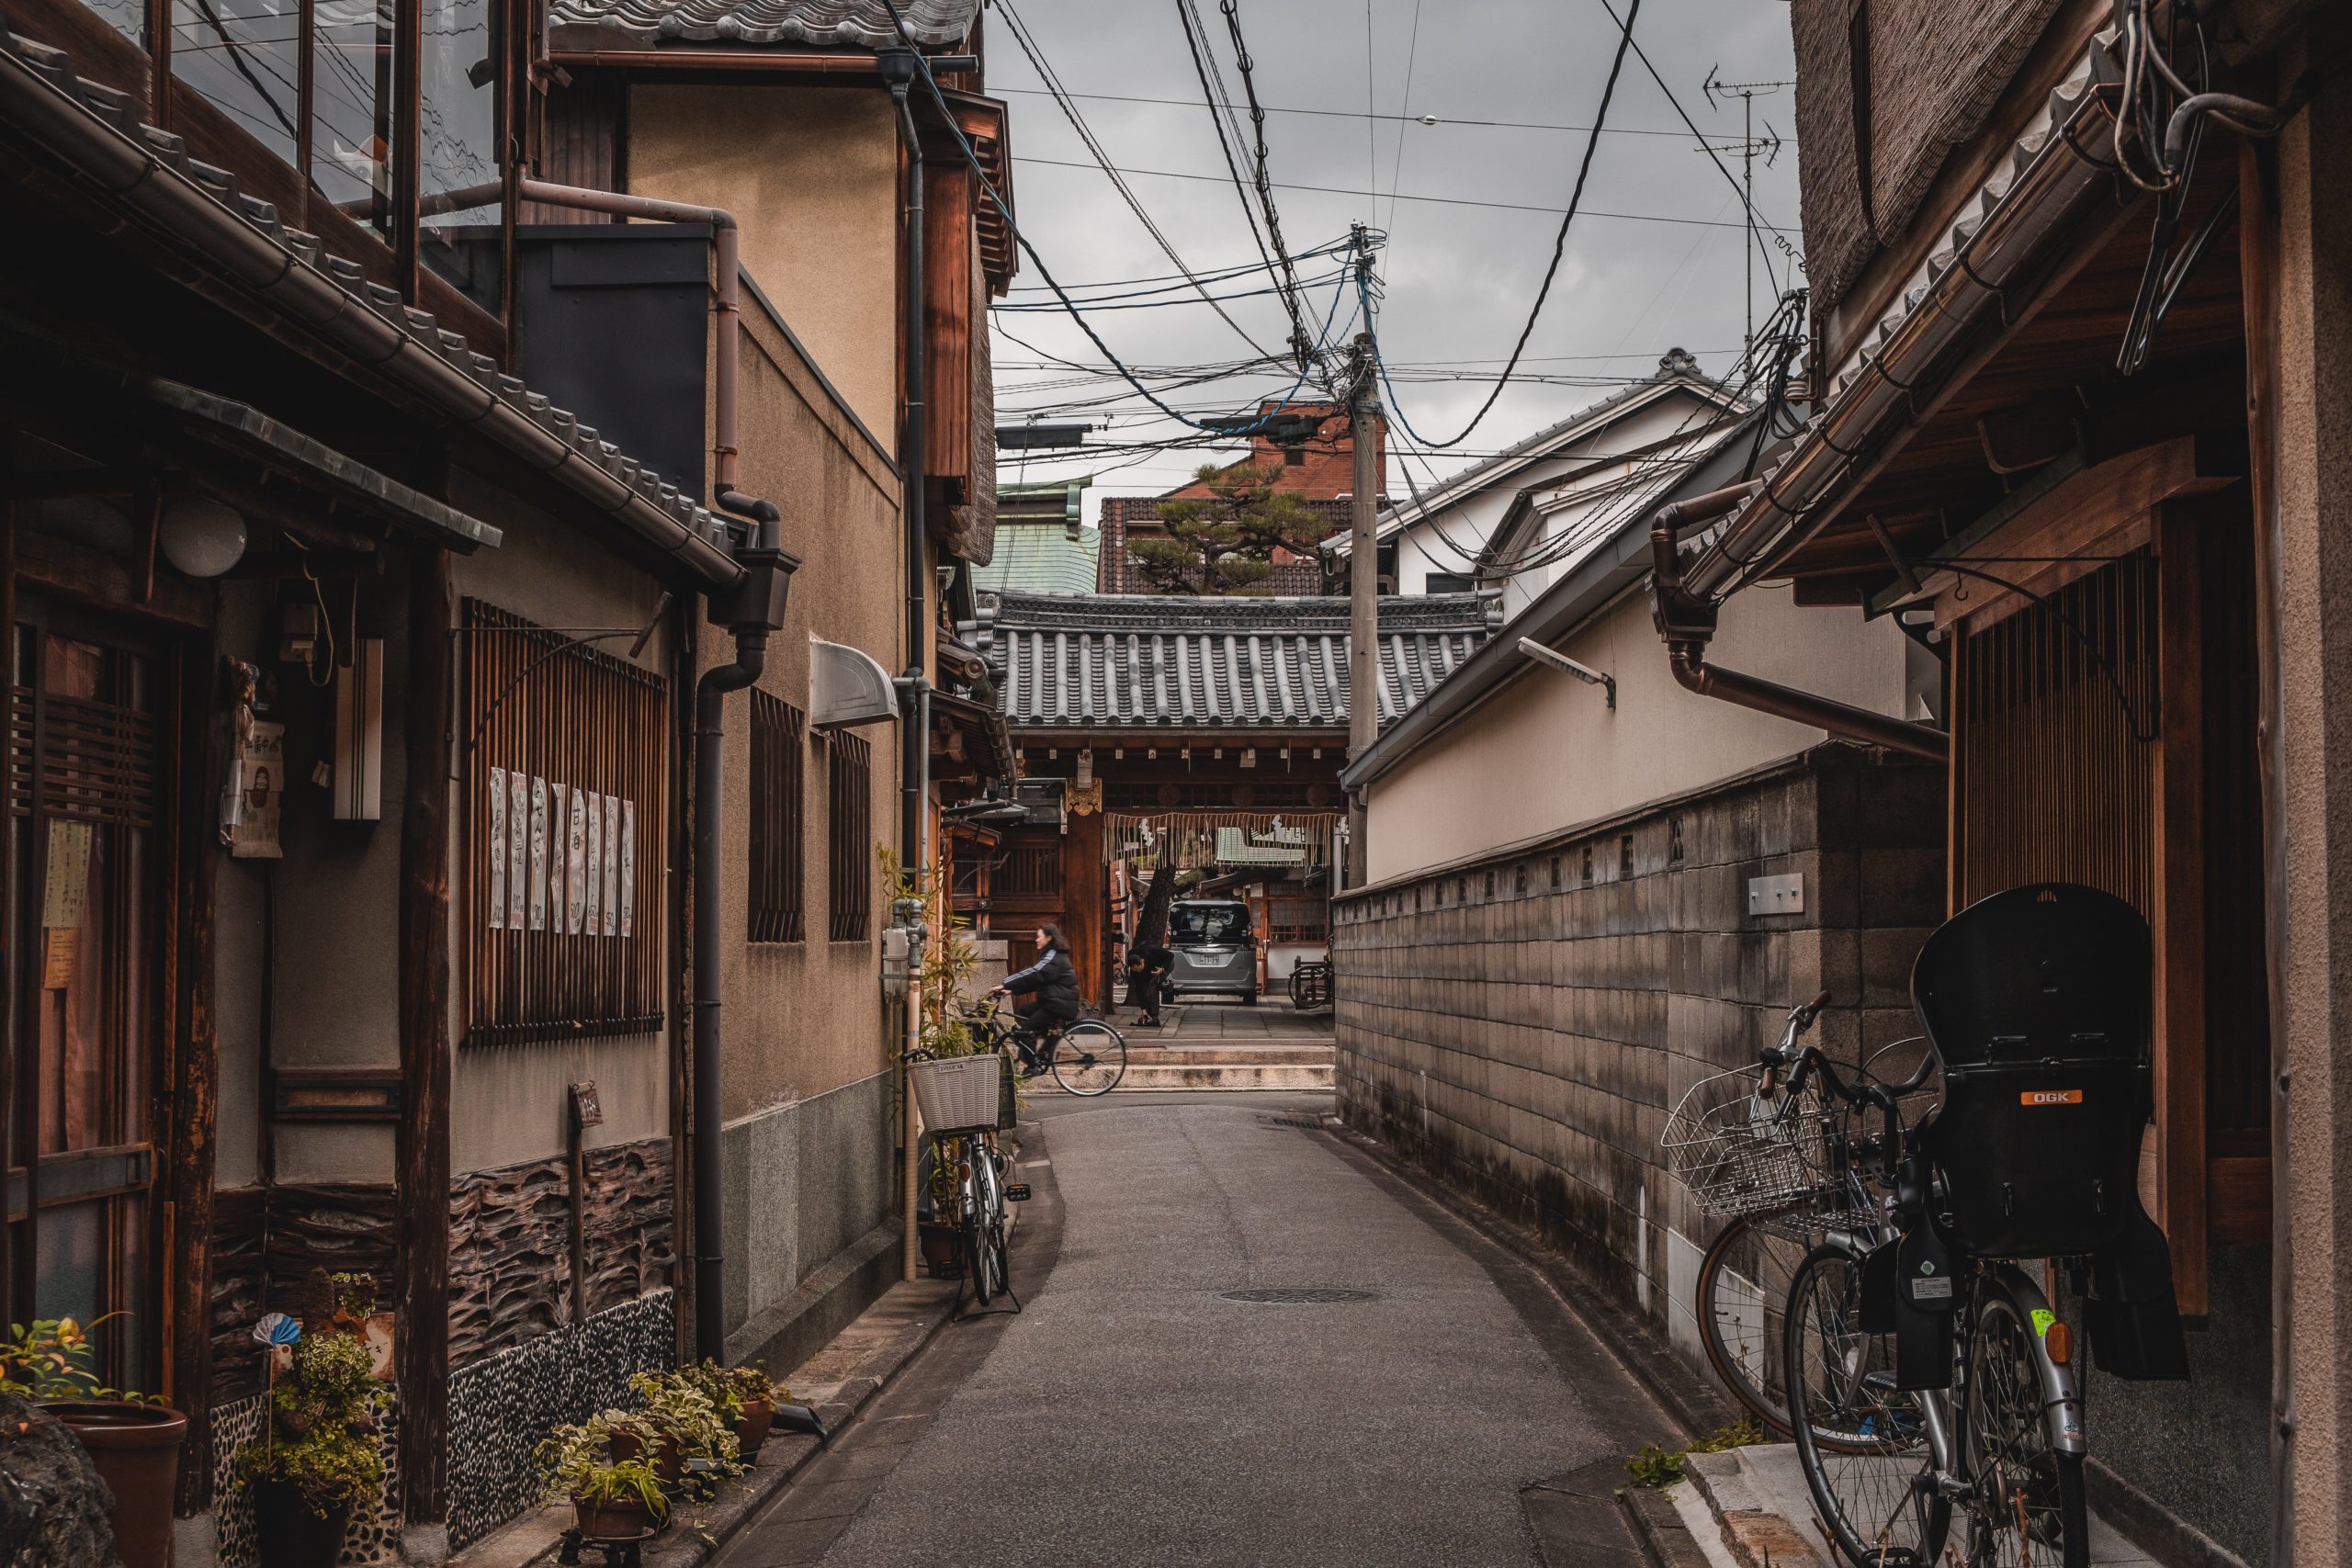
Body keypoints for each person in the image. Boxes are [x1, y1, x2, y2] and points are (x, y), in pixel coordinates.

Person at [989, 923, 1080, 1074]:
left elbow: (1034, 973)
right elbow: (1039, 981)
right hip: (1055, 1002)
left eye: (1039, 937)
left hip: (1058, 1004)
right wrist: (1011, 990)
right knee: (1025, 1010)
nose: (1036, 940)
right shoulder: (1053, 954)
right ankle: (1046, 1046)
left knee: (1026, 1031)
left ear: (1049, 938)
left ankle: (1033, 1066)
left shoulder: (1052, 956)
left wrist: (1005, 983)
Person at [1125, 931, 1174, 1028]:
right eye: (1135, 970)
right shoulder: (1134, 966)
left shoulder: (1151, 949)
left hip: (1166, 963)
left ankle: (1155, 1018)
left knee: (1153, 986)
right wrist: (1143, 1010)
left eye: (1139, 969)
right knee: (1144, 988)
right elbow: (1139, 990)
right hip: (1152, 969)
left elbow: (1170, 956)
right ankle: (1149, 1016)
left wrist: (1162, 969)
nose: (1138, 972)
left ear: (1142, 961)